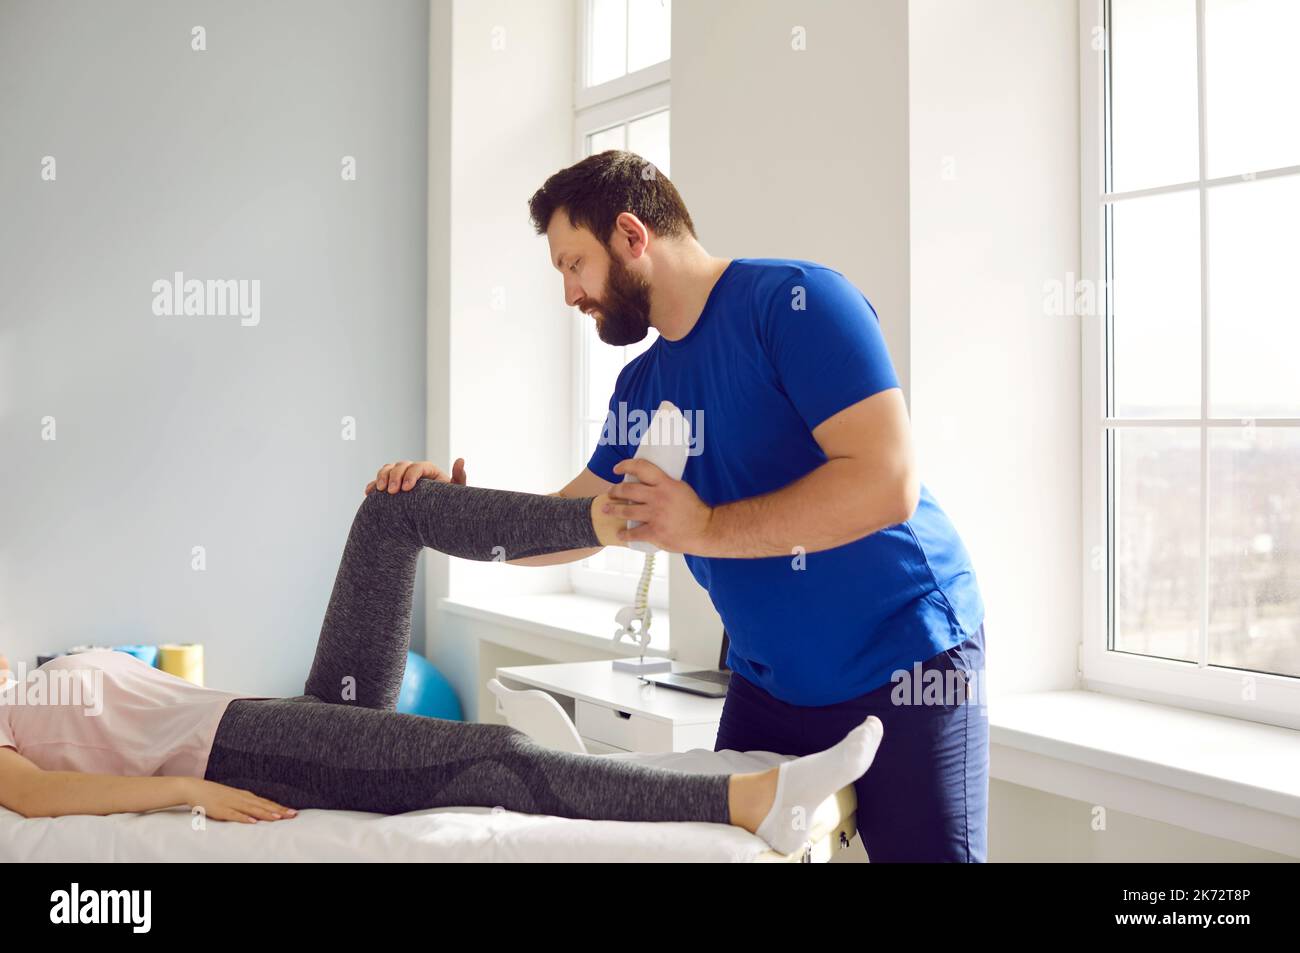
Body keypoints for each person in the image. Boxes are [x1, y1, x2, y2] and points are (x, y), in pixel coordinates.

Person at [388, 148, 987, 862]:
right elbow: (574, 521)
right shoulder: (640, 387)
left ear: (632, 236)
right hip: (771, 686)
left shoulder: (797, 305)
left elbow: (887, 483)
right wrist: (447, 512)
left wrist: (703, 526)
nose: (570, 295)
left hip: (906, 663)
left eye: (574, 264)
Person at [0, 479, 883, 857]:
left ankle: (611, 521)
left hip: (270, 718)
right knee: (486, 754)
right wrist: (185, 795)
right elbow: (36, 796)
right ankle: (754, 802)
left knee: (397, 508)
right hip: (238, 752)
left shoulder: (14, 680)